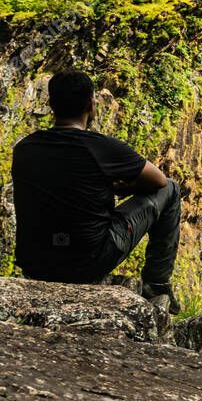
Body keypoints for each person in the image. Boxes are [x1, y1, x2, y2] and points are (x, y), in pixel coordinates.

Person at [12, 70, 181, 314]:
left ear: (51, 104)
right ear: (91, 104)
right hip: (87, 262)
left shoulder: (24, 149)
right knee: (172, 188)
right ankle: (157, 284)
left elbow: (60, 184)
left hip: (36, 264)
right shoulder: (102, 148)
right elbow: (159, 181)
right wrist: (122, 187)